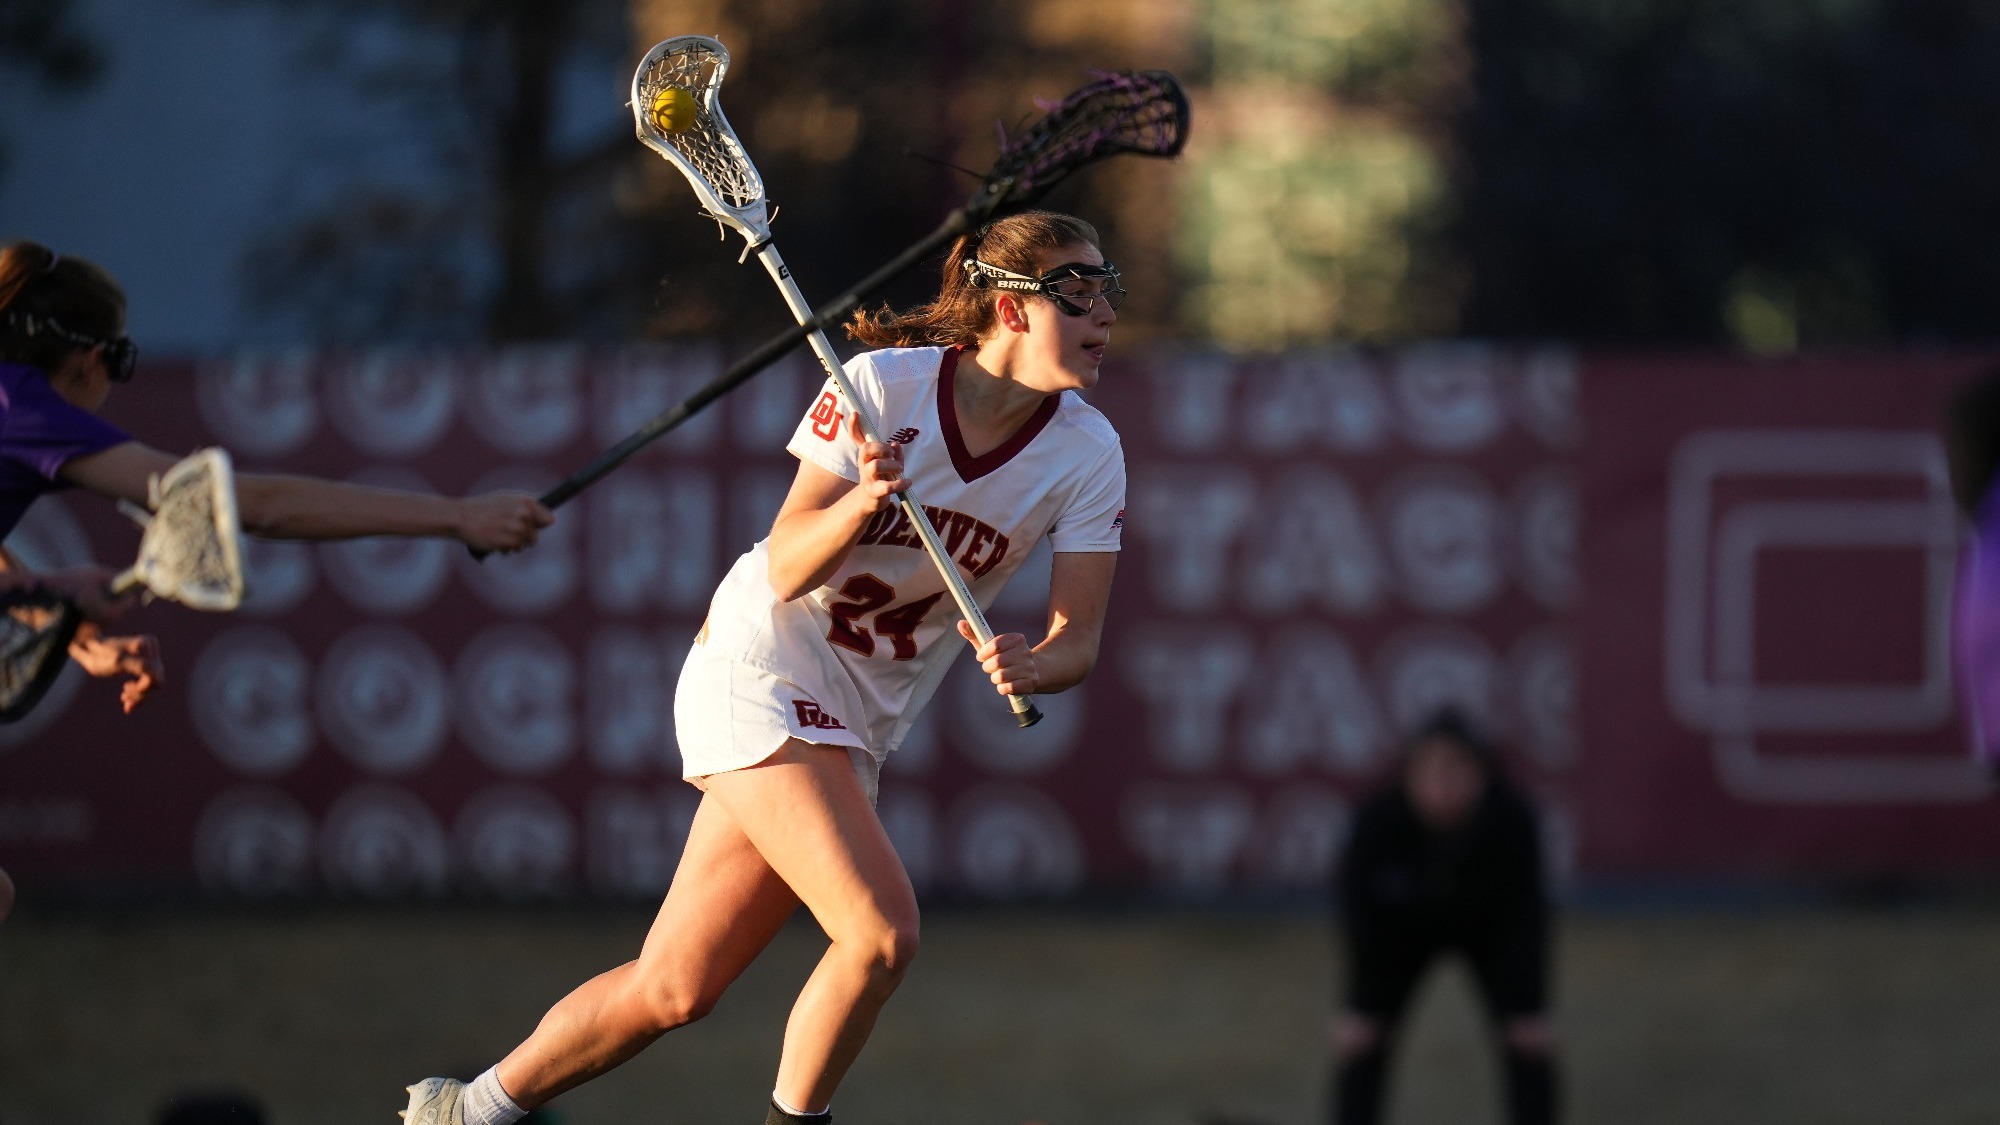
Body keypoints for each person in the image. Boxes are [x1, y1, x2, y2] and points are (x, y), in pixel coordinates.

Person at [399, 209, 1127, 1125]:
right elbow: (786, 563)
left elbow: (1079, 644)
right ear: (1008, 309)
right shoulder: (880, 389)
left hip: (856, 719)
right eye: (1076, 290)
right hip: (763, 669)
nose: (1104, 310)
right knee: (880, 934)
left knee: (676, 986)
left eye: (1109, 287)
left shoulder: (1089, 451)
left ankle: (464, 1113)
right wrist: (863, 503)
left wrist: (1035, 663)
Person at [0, 239, 555, 712]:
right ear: (91, 359)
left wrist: (59, 626)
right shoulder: (24, 409)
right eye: (120, 364)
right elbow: (250, 505)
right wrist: (459, 517)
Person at [1330, 711, 1560, 1125]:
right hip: (1400, 934)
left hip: (1490, 931)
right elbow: (1363, 920)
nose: (1444, 786)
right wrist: (1360, 1003)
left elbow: (1526, 916)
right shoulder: (1376, 822)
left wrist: (1529, 1003)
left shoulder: (1513, 820)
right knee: (1362, 1043)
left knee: (1528, 1042)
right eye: (1432, 772)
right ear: (1409, 775)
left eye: (1458, 771)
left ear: (1482, 775)